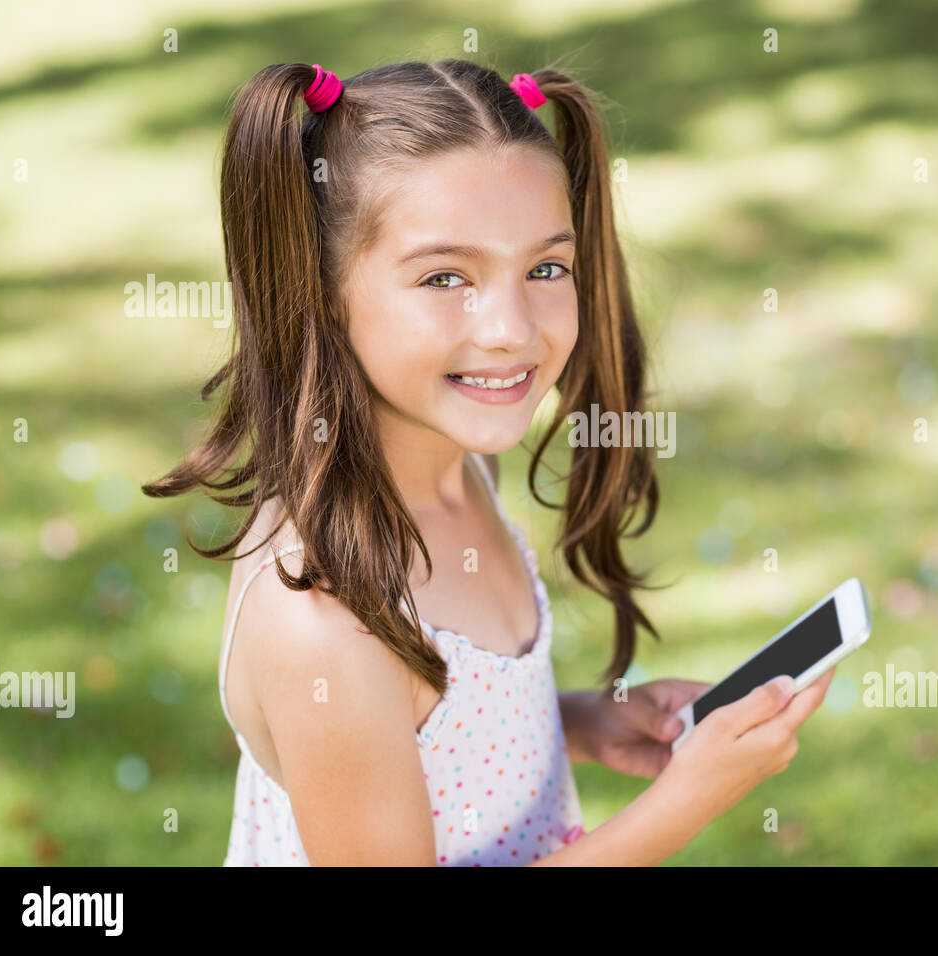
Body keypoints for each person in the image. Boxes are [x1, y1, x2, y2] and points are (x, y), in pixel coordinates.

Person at [142, 59, 835, 866]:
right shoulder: (327, 617)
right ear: (322, 291)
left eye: (545, 268)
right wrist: (687, 801)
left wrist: (582, 721)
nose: (509, 327)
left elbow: (437, 728)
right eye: (445, 277)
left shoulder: (462, 465)